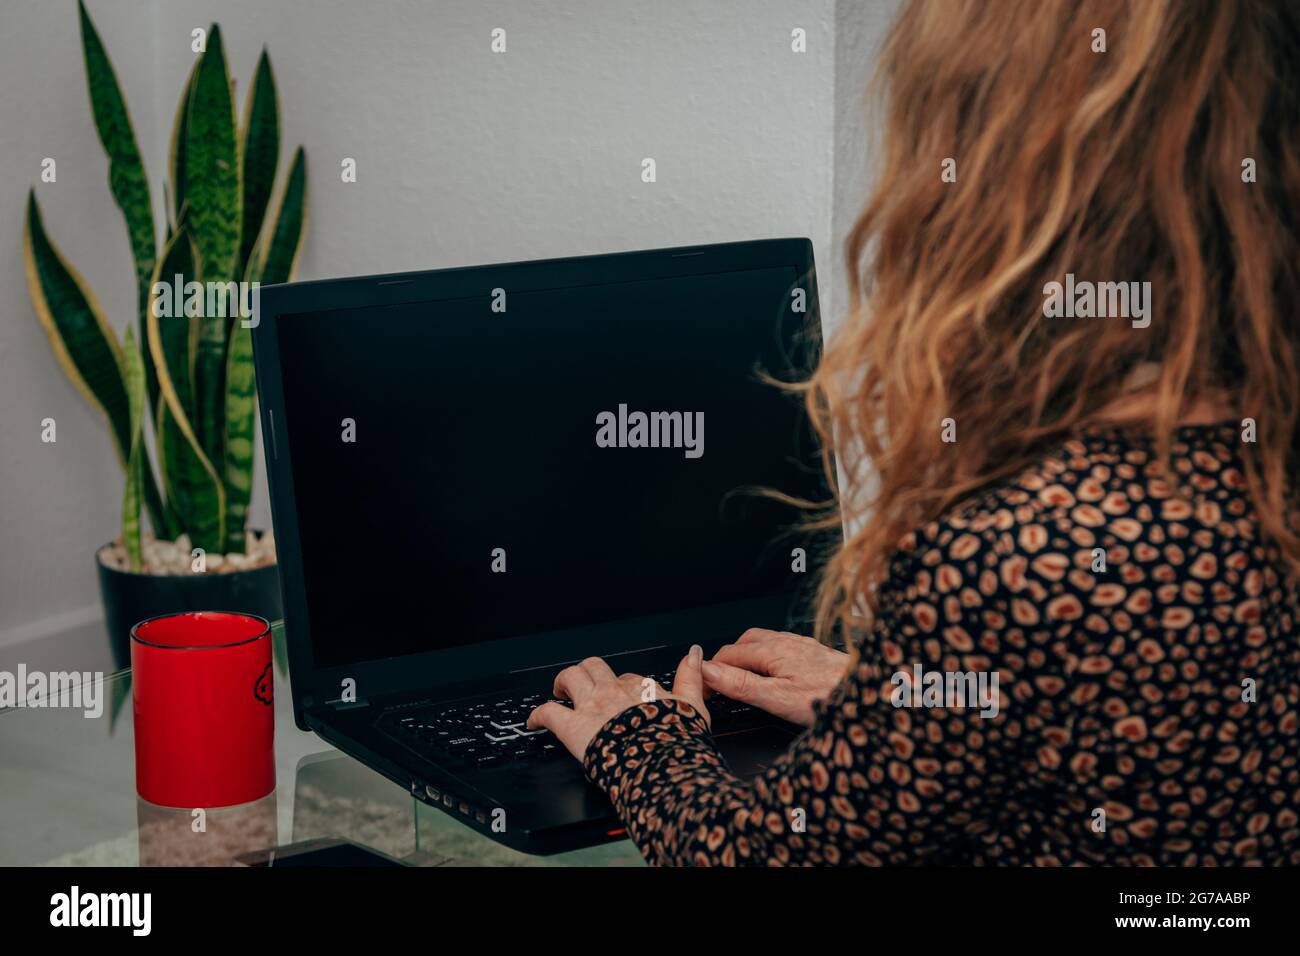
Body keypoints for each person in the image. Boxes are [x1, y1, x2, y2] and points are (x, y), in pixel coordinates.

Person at [527, 0, 1300, 865]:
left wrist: (639, 737)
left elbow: (763, 859)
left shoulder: (1024, 545)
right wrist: (903, 709)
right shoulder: (1257, 454)